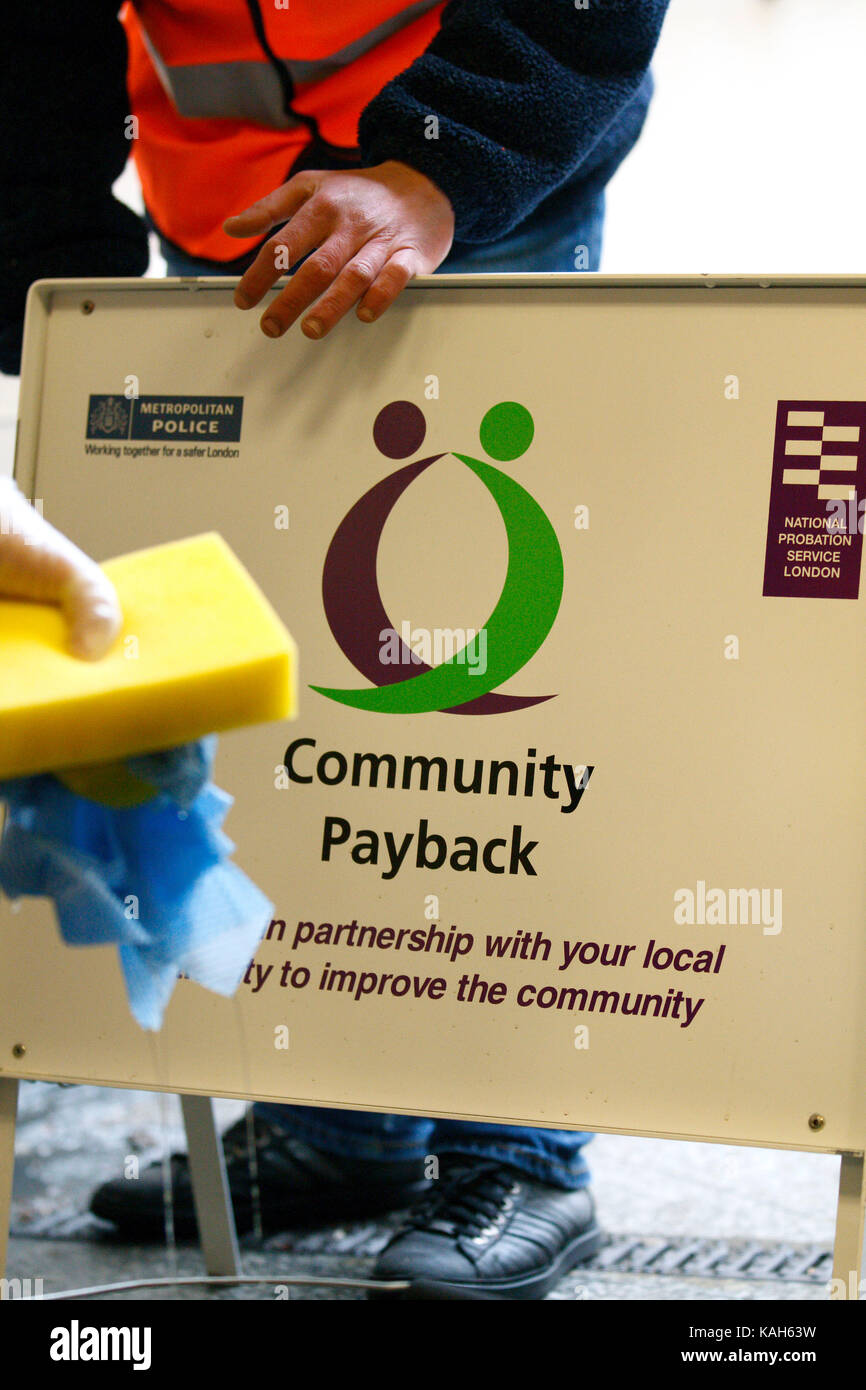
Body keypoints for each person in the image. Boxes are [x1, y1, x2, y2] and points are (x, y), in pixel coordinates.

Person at [1, 0, 670, 1298]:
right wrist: (43, 254)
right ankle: (346, 1123)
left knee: (479, 701)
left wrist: (439, 164)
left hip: (482, 198)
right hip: (236, 219)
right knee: (283, 667)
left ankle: (518, 1144)